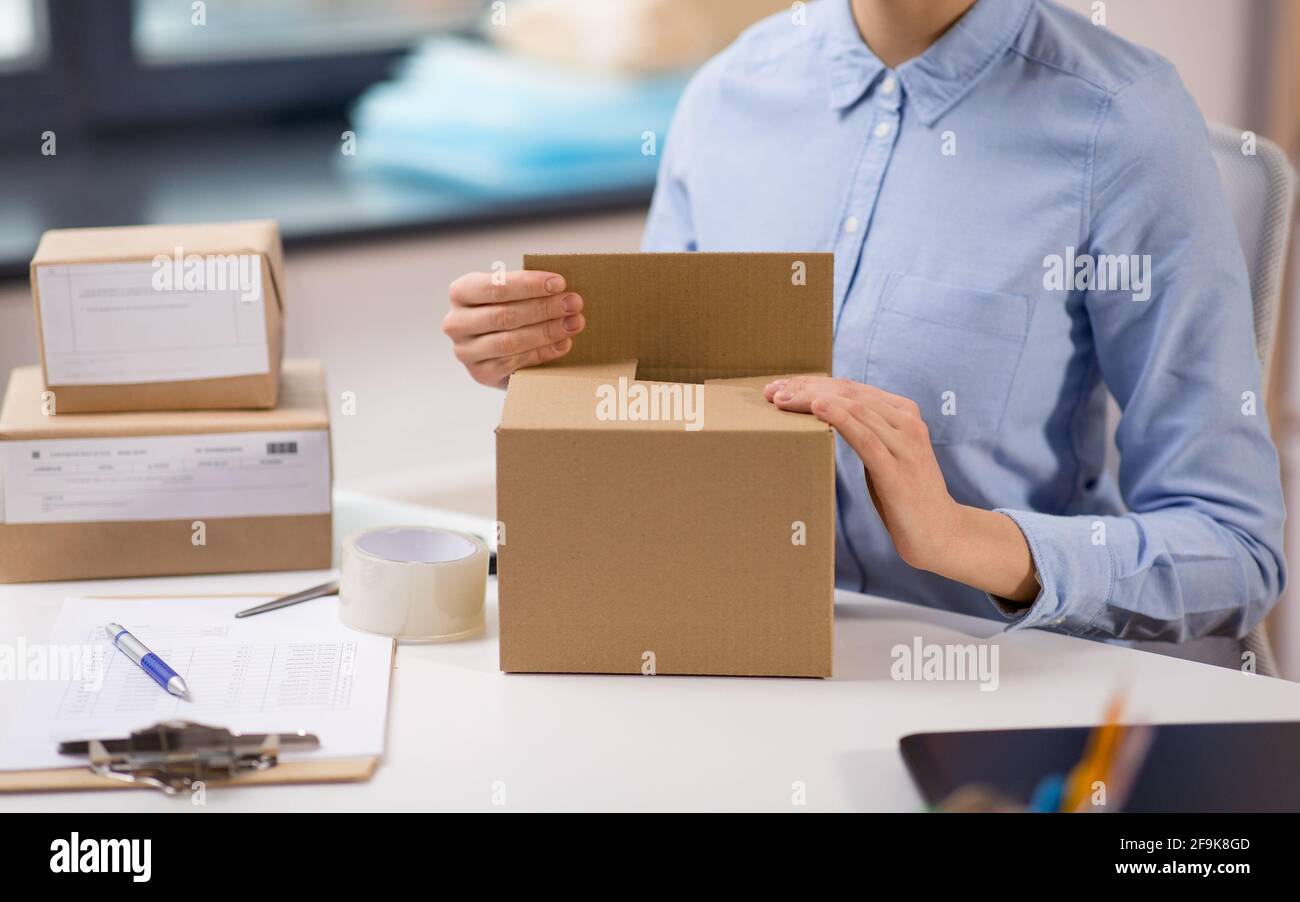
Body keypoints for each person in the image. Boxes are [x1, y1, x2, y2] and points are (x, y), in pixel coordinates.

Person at [441, 0, 1285, 643]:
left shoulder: (1122, 123)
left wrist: (967, 540)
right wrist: (552, 369)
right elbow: (672, 412)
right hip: (730, 649)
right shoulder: (728, 94)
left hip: (991, 684)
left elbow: (1236, 549)